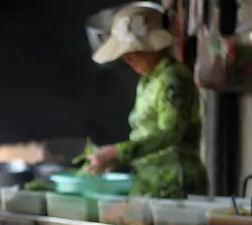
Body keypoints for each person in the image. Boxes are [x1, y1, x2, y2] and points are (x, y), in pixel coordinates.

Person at [88, 2, 208, 199]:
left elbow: (170, 133)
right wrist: (117, 157)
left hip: (174, 183)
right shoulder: (147, 80)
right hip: (149, 182)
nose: (129, 59)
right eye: (125, 55)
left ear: (154, 47)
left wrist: (120, 152)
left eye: (134, 51)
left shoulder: (172, 79)